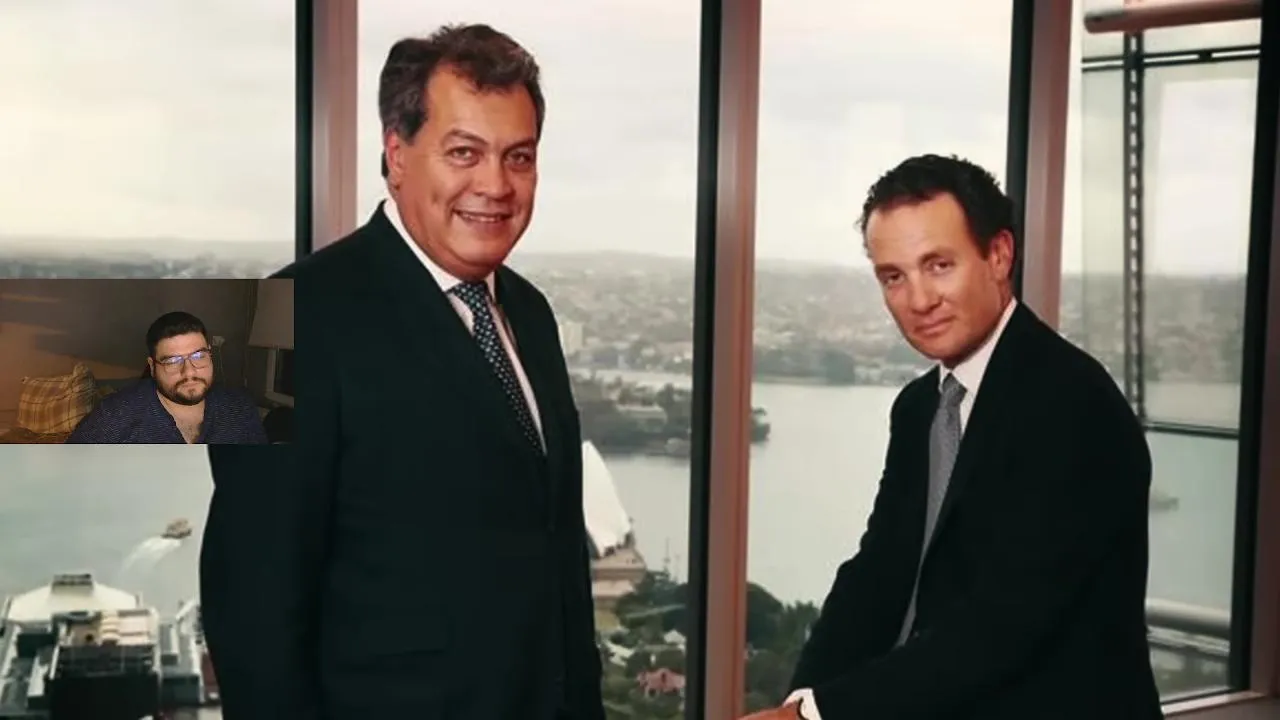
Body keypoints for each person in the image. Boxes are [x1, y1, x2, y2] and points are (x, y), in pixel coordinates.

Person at [200, 24, 605, 720]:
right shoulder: (286, 321)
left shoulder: (530, 315)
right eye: (463, 152)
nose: (496, 185)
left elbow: (556, 564)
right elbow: (255, 618)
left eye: (518, 157)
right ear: (396, 154)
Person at [744, 155, 1162, 719]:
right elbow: (878, 573)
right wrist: (800, 702)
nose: (919, 300)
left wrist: (815, 716)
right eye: (894, 277)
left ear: (999, 255)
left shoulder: (1072, 405)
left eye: (939, 265)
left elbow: (1004, 626)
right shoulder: (920, 407)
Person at [66, 311, 267, 444]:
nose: (189, 372)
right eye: (172, 361)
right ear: (153, 367)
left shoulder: (240, 407)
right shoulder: (114, 415)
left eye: (198, 356)